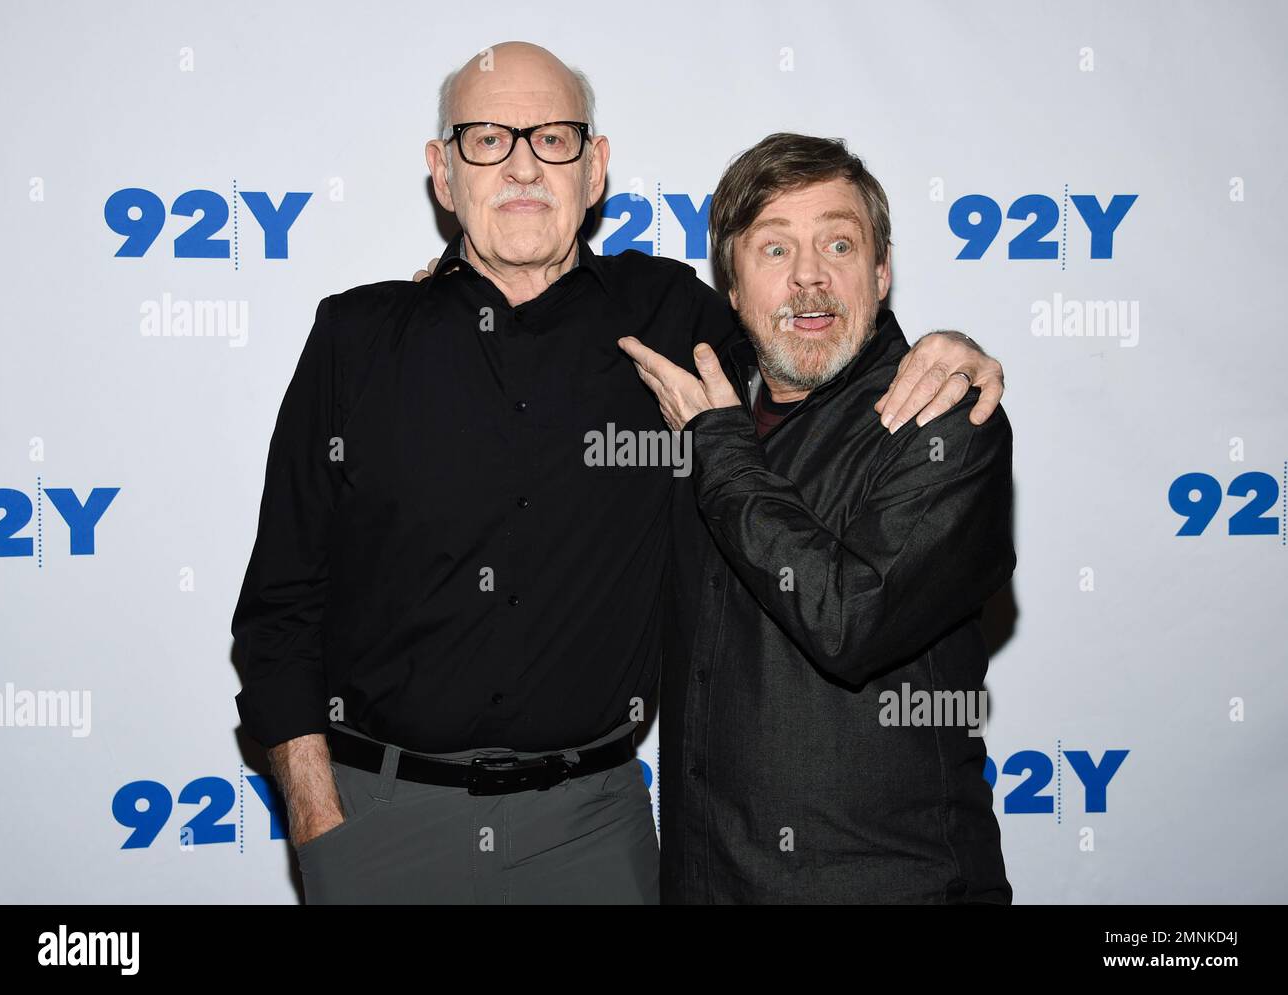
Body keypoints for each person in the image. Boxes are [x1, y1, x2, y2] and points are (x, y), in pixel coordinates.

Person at [233, 41, 1002, 904]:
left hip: (594, 834)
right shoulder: (356, 339)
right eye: (487, 139)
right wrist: (317, 824)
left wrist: (952, 352)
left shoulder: (675, 318)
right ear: (442, 173)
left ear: (594, 169)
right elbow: (279, 605)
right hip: (379, 820)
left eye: (554, 138)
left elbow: (810, 323)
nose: (523, 164)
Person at [619, 133, 1015, 903]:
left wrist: (720, 452)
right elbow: (560, 293)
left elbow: (850, 619)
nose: (808, 276)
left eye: (838, 242)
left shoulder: (946, 419)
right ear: (731, 287)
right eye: (773, 250)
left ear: (881, 271)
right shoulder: (707, 397)